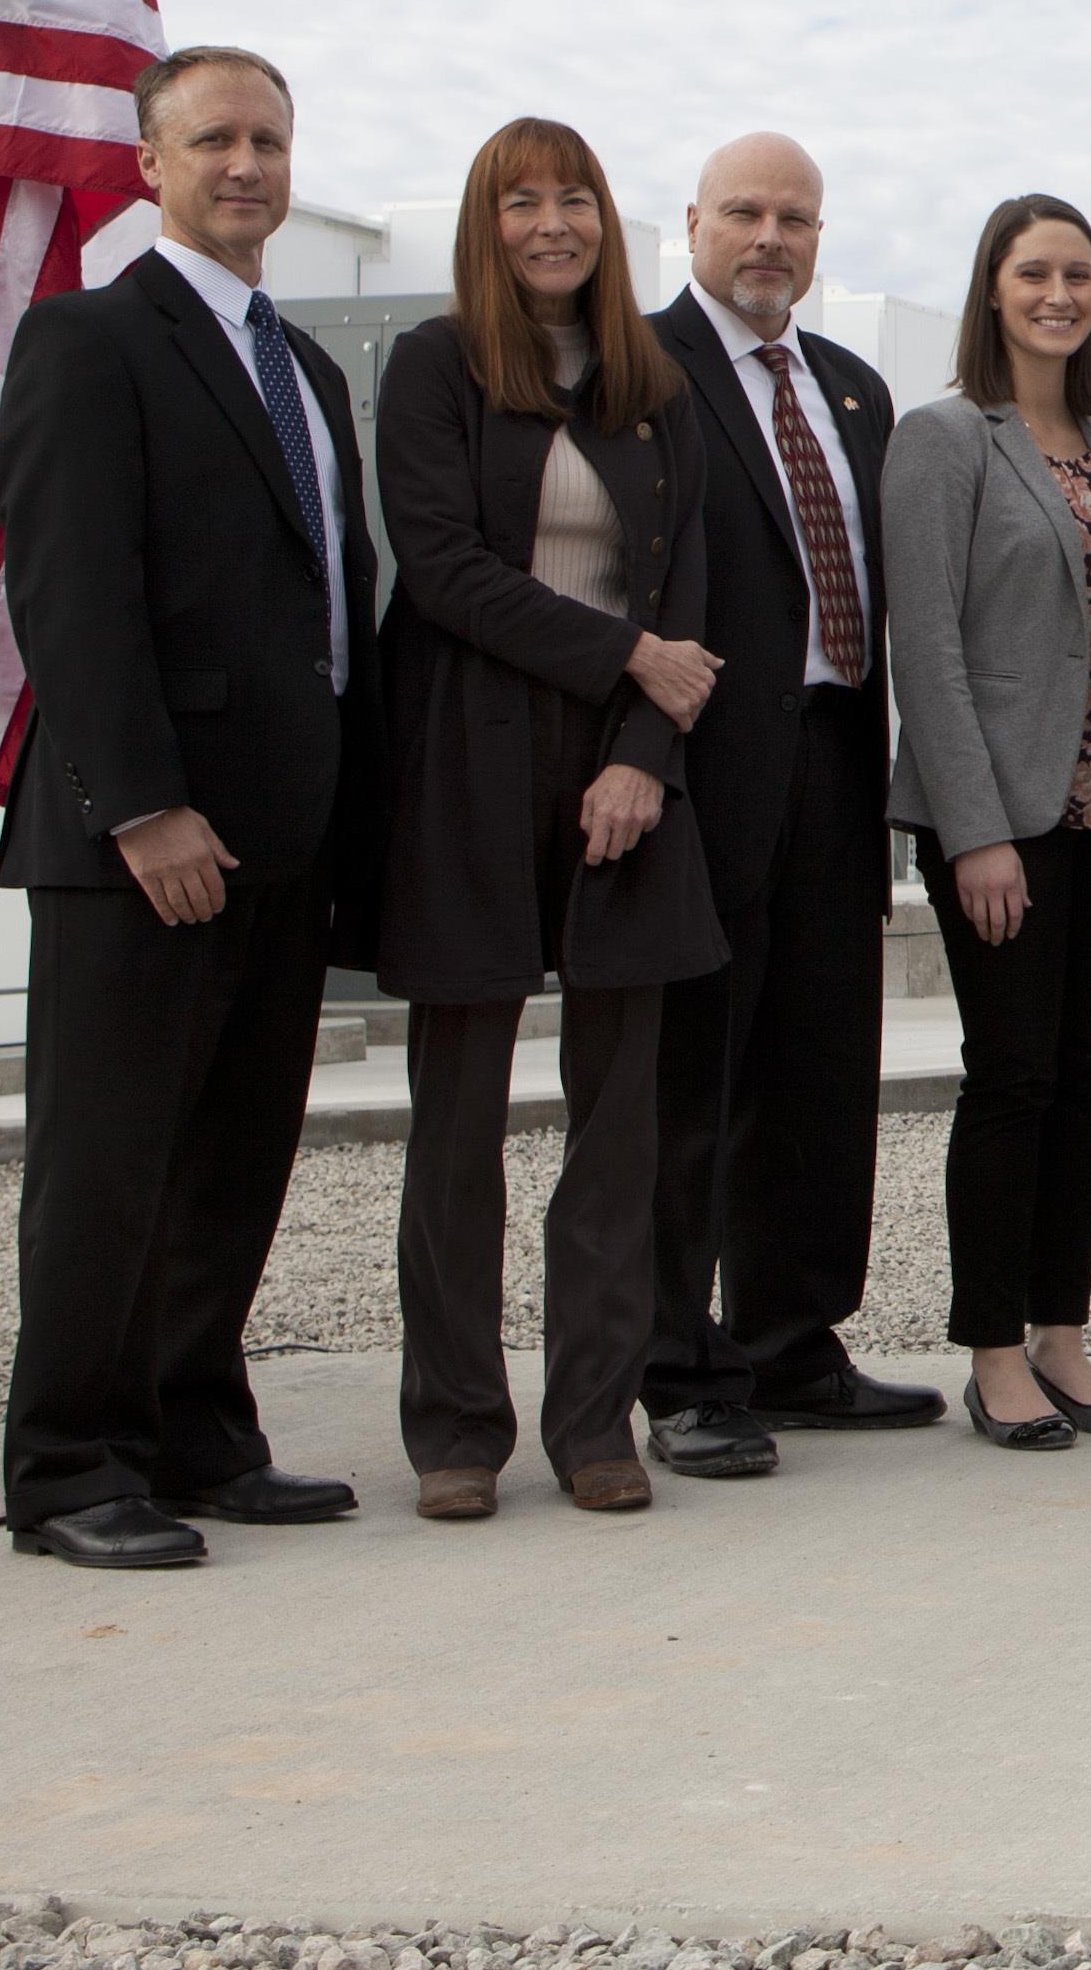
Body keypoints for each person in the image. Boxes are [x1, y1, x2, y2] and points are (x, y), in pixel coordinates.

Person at [0, 45, 383, 1568]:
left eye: (270, 140)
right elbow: (70, 594)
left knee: (233, 1152)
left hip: (282, 831)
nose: (246, 165)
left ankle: (198, 1431)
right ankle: (72, 1464)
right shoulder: (91, 342)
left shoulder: (300, 365)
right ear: (149, 163)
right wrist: (140, 805)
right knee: (112, 1158)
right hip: (145, 844)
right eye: (213, 138)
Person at [366, 117, 728, 1522]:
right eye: (522, 200)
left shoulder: (654, 385)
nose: (552, 221)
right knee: (455, 1121)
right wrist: (625, 659)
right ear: (486, 222)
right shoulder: (433, 367)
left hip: (623, 771)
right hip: (465, 760)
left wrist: (644, 746)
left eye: (574, 195)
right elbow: (442, 566)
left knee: (617, 1125)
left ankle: (594, 1421)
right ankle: (457, 1426)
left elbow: (682, 589)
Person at [886, 193, 1091, 1449]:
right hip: (1007, 820)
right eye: (1032, 274)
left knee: (1084, 1082)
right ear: (993, 290)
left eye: (1076, 273)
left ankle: (1064, 1335)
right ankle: (993, 1351)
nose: (1057, 294)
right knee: (1010, 1081)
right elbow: (928, 648)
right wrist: (973, 833)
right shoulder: (944, 441)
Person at [642, 132, 916, 1477]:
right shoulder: (639, 370)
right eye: (744, 212)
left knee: (818, 1068)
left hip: (832, 763)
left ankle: (794, 1341)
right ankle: (678, 1366)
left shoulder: (852, 392)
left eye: (796, 218)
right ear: (691, 222)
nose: (771, 237)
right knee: (692, 1080)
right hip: (693, 770)